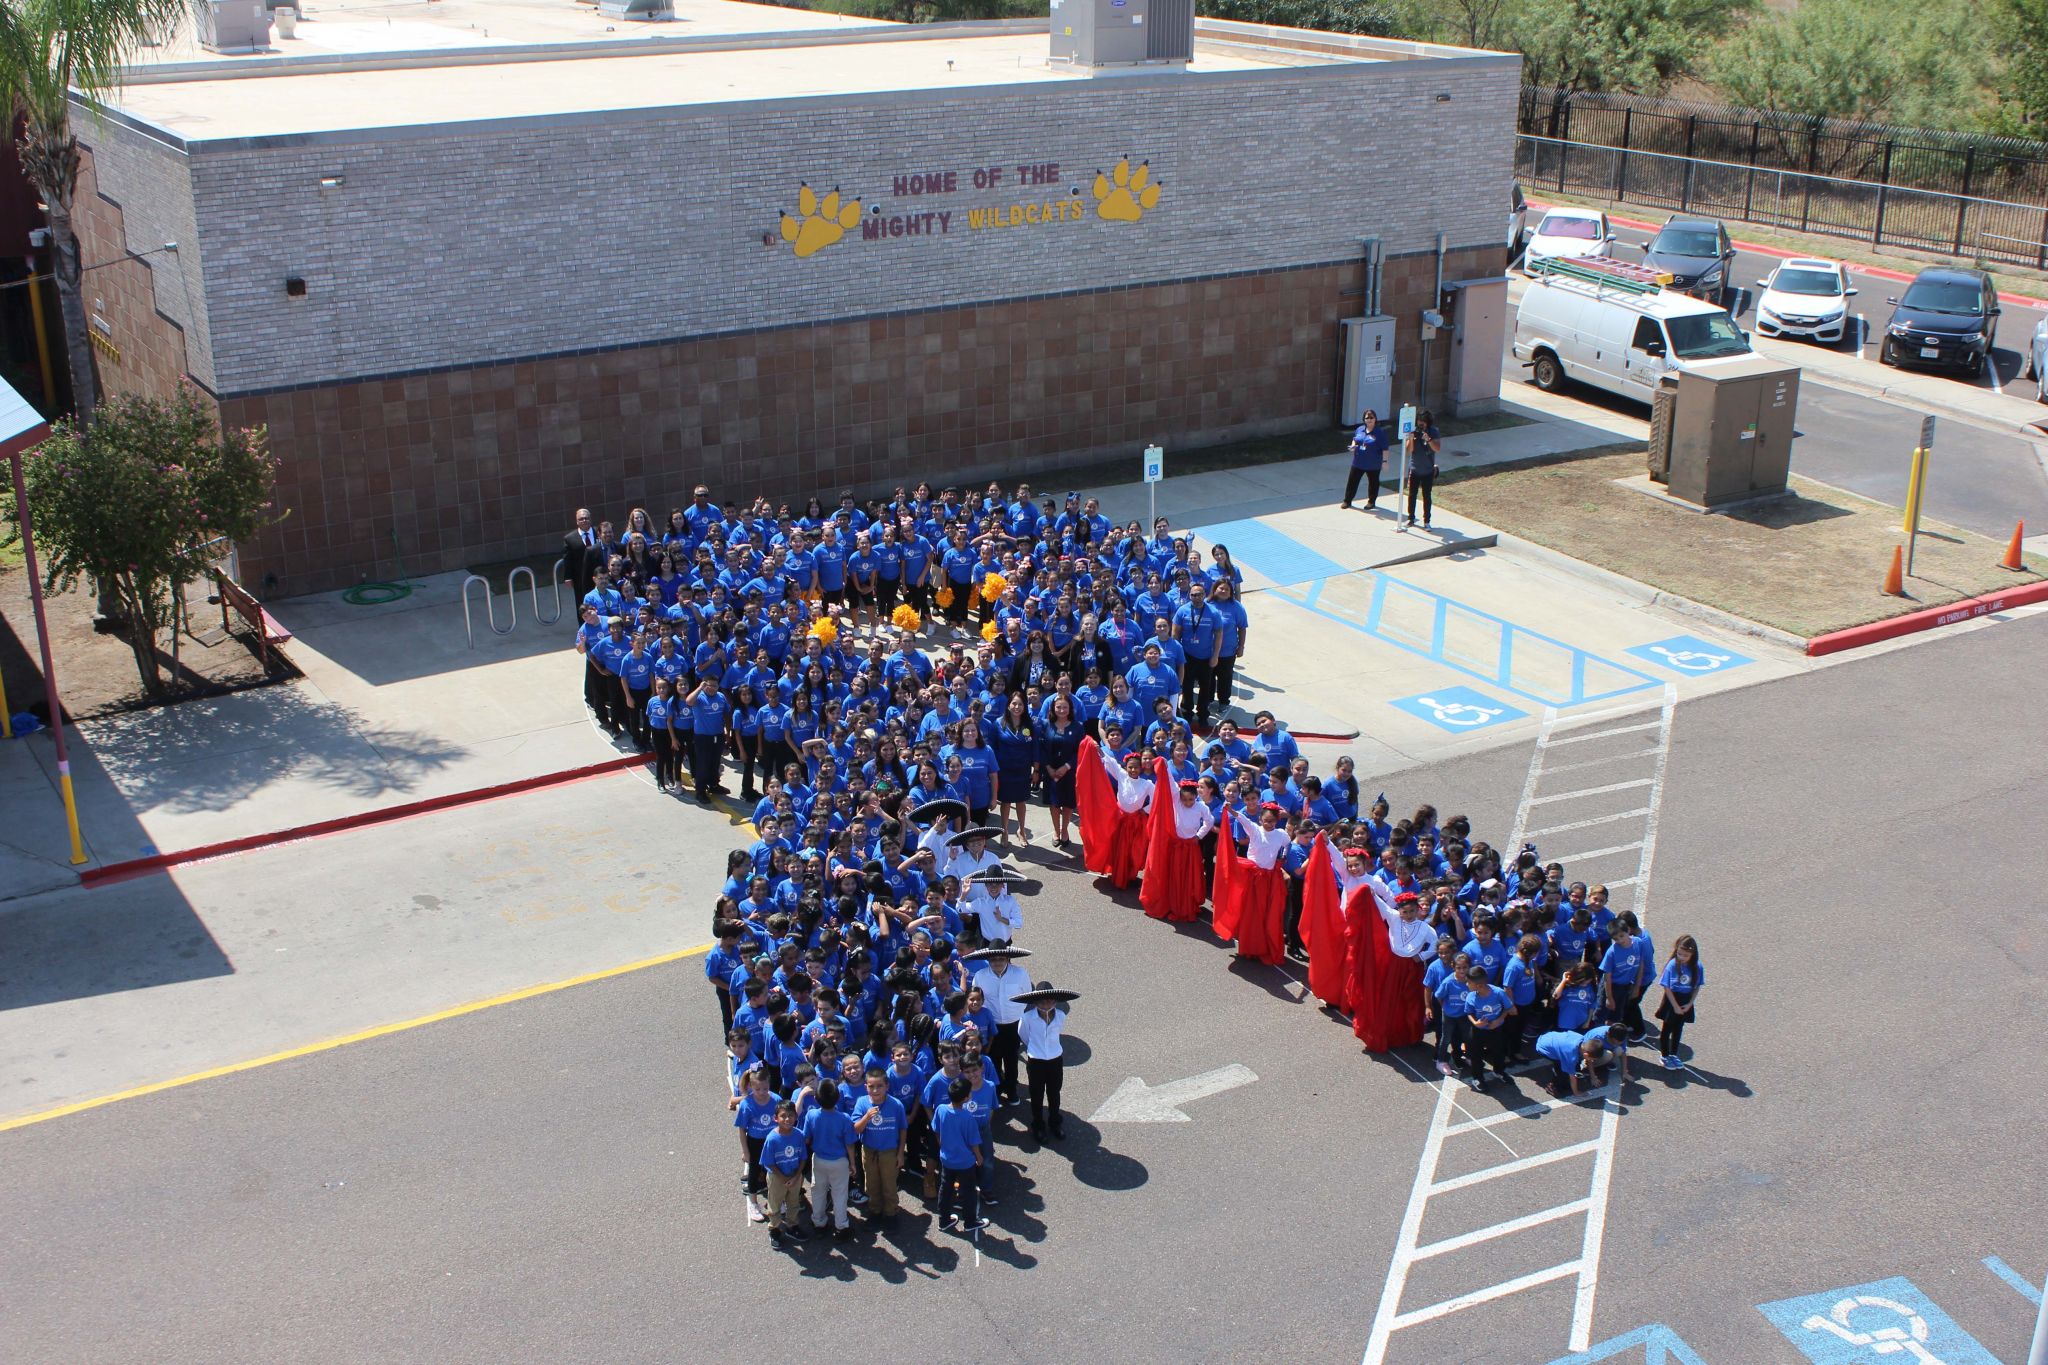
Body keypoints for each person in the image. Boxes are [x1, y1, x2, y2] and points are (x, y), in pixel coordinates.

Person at [1347, 885, 1438, 1053]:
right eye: (1405, 912)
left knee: (1409, 1001)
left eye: (1412, 911)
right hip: (1393, 965)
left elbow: (1435, 944)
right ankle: (1386, 1033)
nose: (1408, 915)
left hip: (1411, 967)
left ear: (1418, 910)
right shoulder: (1394, 917)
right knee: (1389, 999)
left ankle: (1408, 1035)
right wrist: (1372, 893)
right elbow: (1381, 906)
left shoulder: (1425, 928)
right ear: (1400, 911)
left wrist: (1422, 956)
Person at [1214, 799, 1288, 965]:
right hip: (1252, 877)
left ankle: (1260, 942)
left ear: (1277, 820)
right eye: (1266, 820)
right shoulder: (1255, 830)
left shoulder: (1281, 834)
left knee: (1264, 912)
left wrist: (1281, 859)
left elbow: (1288, 845)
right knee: (1250, 911)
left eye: (1272, 821)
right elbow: (1242, 818)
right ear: (1260, 819)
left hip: (1269, 879)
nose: (1269, 824)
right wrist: (1231, 810)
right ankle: (1248, 943)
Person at [1140, 764, 1214, 923]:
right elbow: (1171, 783)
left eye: (1191, 799)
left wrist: (1198, 836)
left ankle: (1187, 901)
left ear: (1196, 797)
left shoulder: (1201, 807)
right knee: (1175, 874)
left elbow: (1209, 821)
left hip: (1191, 847)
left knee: (1189, 875)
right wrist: (1164, 766)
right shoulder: (1176, 801)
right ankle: (1174, 900)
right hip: (1176, 846)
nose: (1187, 802)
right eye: (1184, 799)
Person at [971, 946, 1033, 1103]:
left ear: (1007, 959)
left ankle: (1012, 1090)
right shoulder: (980, 976)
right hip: (993, 1026)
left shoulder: (1020, 974)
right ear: (989, 960)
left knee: (1012, 1060)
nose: (997, 962)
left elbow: (1026, 996)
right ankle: (997, 1090)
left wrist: (1016, 1014)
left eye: (1001, 958)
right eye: (993, 959)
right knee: (994, 1059)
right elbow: (978, 1000)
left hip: (1014, 1024)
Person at [801, 1077, 858, 1241]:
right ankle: (841, 1226)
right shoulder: (844, 1119)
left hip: (818, 1159)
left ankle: (819, 1222)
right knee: (839, 1194)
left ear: (816, 1098)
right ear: (837, 1098)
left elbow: (807, 1138)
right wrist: (853, 1163)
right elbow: (849, 1144)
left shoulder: (811, 1115)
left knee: (818, 1191)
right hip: (839, 1161)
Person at [1016, 984, 1074, 1140]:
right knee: (1037, 1095)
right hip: (1036, 1061)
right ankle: (1038, 1126)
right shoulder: (1027, 1017)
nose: (1046, 1005)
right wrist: (1036, 1048)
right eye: (1042, 1002)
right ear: (1035, 1003)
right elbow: (1023, 1035)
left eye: (1049, 1001)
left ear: (1055, 1001)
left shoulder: (1061, 1015)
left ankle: (1055, 1123)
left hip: (1055, 1060)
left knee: (1054, 1094)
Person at [851, 1069, 907, 1221]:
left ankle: (891, 1213)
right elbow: (856, 1129)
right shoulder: (862, 1103)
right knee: (871, 1185)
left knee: (889, 1185)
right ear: (865, 1087)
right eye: (871, 1086)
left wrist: (901, 1153)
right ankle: (875, 1211)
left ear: (887, 1086)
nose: (875, 1090)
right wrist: (866, 1117)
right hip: (869, 1151)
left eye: (879, 1086)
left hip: (889, 1152)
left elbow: (903, 1129)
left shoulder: (896, 1105)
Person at [932, 1075, 986, 1232]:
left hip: (947, 1159)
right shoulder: (967, 1118)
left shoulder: (941, 1110)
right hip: (965, 1162)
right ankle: (970, 1222)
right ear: (966, 1097)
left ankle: (944, 1220)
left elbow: (936, 1130)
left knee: (946, 1189)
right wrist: (979, 1156)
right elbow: (973, 1142)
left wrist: (942, 1145)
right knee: (968, 1191)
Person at [761, 1102, 809, 1248]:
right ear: (775, 1118)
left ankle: (792, 1226)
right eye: (783, 1116)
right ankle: (774, 1229)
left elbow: (803, 1158)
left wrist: (796, 1176)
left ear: (795, 1117)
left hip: (795, 1176)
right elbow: (769, 1162)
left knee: (793, 1203)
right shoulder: (772, 1139)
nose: (787, 1119)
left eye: (790, 1116)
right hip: (777, 1178)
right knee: (775, 1204)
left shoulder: (799, 1135)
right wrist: (783, 1178)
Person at [1653, 934, 1703, 1069]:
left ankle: (1674, 1054)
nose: (1681, 958)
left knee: (1678, 1028)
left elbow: (1696, 986)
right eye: (1680, 954)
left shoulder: (1697, 967)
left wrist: (1690, 1003)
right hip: (1672, 1000)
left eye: (1685, 955)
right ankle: (1664, 1055)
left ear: (1693, 954)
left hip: (1685, 1001)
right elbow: (1666, 987)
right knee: (1667, 1029)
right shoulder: (1672, 965)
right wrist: (1675, 1006)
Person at [1342, 410, 1390, 511]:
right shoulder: (1360, 429)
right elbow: (1355, 439)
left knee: (1373, 483)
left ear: (1375, 419)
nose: (1369, 420)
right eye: (1367, 418)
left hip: (1373, 464)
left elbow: (1385, 449)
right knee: (1352, 482)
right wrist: (1353, 446)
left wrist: (1385, 462)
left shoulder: (1379, 433)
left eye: (1371, 417)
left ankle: (1371, 502)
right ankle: (1347, 500)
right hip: (1358, 462)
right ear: (1364, 419)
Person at [1403, 408, 1442, 529]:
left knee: (1427, 496)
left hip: (1428, 470)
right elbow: (1408, 451)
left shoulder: (1433, 431)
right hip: (1414, 469)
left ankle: (1427, 521)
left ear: (1428, 422)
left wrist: (1428, 439)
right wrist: (1411, 439)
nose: (1421, 424)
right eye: (1419, 421)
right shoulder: (1413, 432)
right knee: (1412, 495)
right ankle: (1411, 518)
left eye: (1423, 422)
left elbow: (1437, 449)